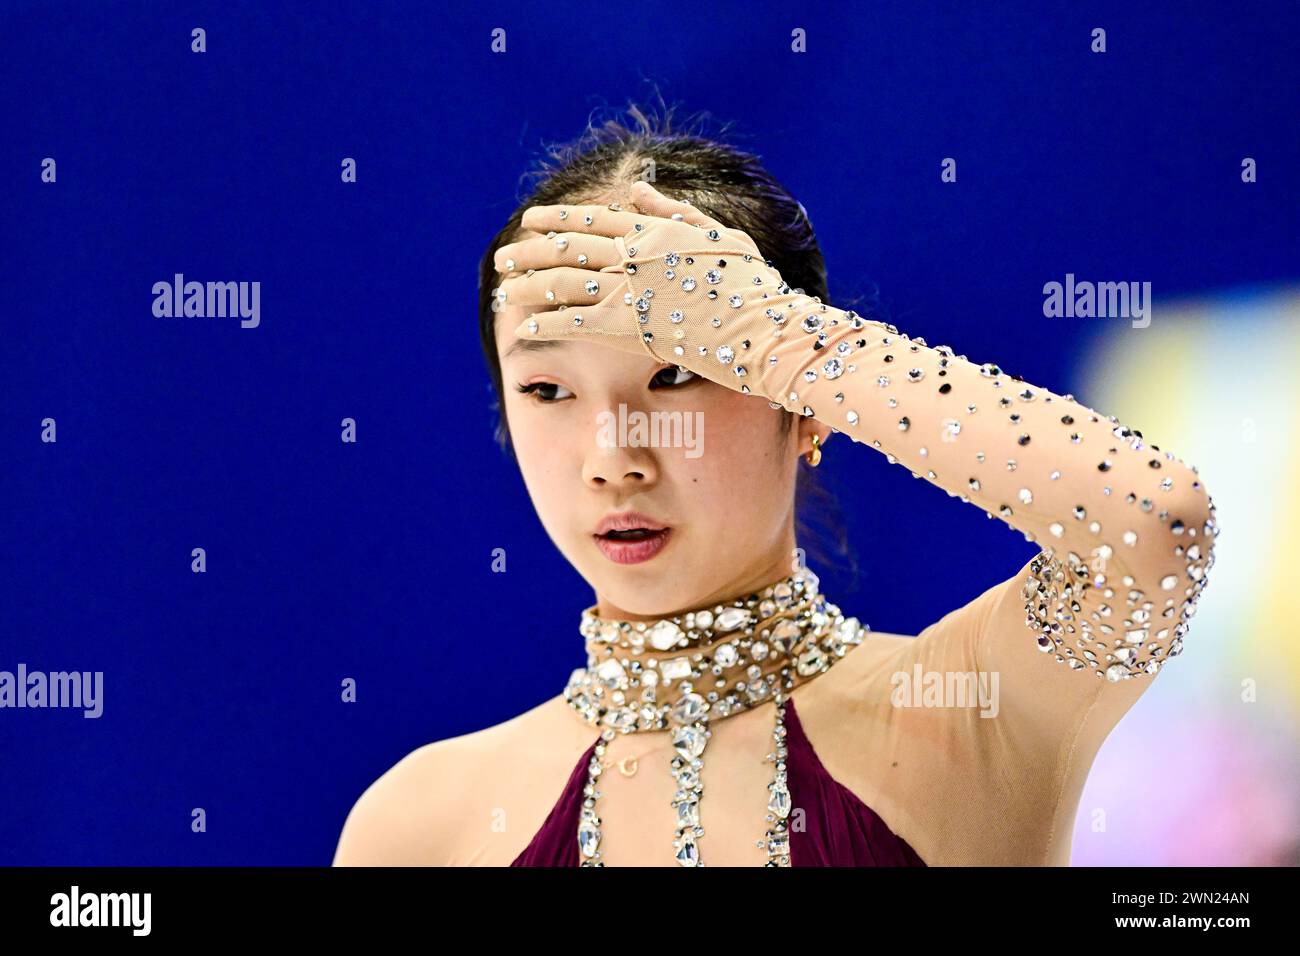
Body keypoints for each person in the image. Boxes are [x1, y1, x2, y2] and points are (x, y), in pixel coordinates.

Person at [332, 106, 1218, 867]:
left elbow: (1151, 522)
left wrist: (793, 343)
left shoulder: (965, 716)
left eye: (678, 375)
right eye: (548, 390)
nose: (613, 456)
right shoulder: (422, 824)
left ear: (808, 411)